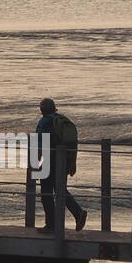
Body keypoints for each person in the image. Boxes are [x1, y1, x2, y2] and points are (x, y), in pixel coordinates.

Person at [35, 98, 87, 231]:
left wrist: (35, 164)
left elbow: (41, 144)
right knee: (60, 189)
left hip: (50, 159)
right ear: (54, 108)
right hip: (65, 158)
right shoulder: (63, 120)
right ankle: (78, 213)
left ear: (42, 110)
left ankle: (51, 225)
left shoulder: (44, 122)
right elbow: (73, 142)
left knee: (46, 192)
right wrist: (72, 163)